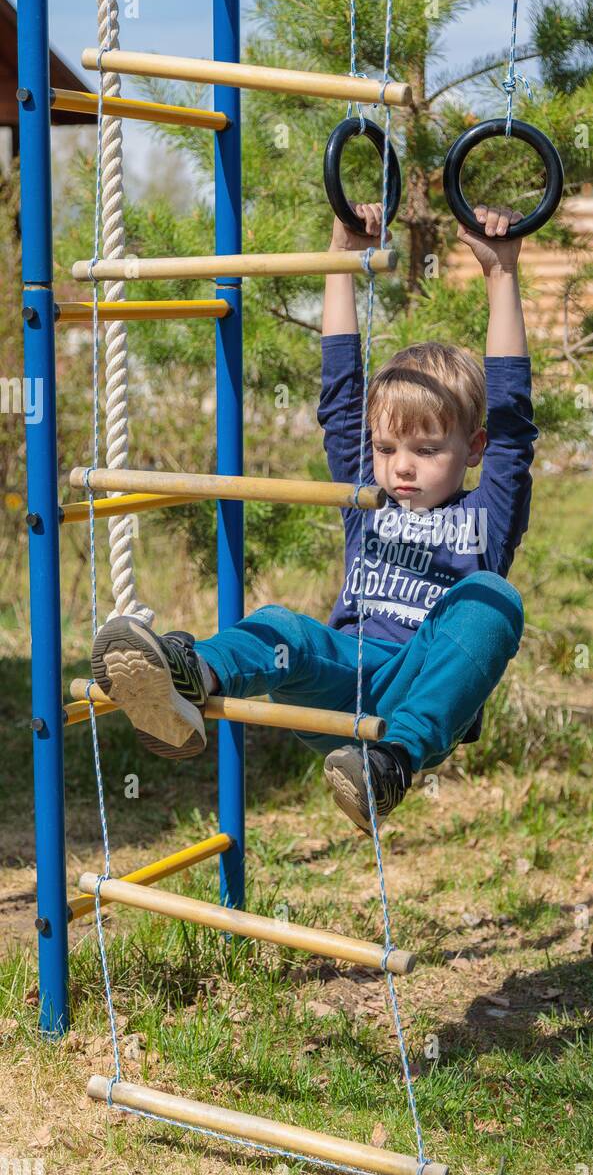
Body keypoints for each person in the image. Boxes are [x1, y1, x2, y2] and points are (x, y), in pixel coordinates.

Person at [90, 201, 535, 835]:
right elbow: (341, 395)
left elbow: (514, 419)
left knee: (492, 599)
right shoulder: (368, 496)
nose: (401, 468)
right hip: (341, 673)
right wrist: (341, 253)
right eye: (386, 449)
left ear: (475, 449)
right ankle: (187, 678)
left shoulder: (488, 513)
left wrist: (501, 275)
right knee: (278, 626)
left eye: (428, 450)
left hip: (416, 691)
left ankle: (388, 767)